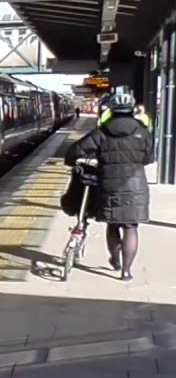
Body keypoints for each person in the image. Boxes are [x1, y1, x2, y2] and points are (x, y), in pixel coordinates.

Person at [64, 94, 154, 280]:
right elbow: (148, 157)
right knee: (130, 226)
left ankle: (115, 259)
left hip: (109, 183)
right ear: (131, 110)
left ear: (112, 111)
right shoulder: (142, 131)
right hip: (135, 184)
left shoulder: (102, 132)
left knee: (112, 224)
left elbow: (76, 150)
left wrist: (73, 160)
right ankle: (126, 272)